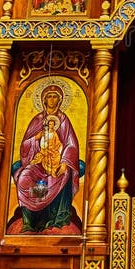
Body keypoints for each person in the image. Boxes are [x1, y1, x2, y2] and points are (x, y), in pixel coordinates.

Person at [9, 83, 80, 234]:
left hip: (56, 162)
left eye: (55, 97)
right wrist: (36, 138)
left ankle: (55, 219)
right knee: (23, 176)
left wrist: (64, 162)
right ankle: (30, 221)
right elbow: (25, 145)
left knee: (62, 175)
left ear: (60, 100)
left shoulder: (64, 120)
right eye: (49, 97)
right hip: (37, 161)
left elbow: (71, 144)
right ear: (44, 100)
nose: (52, 100)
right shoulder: (37, 120)